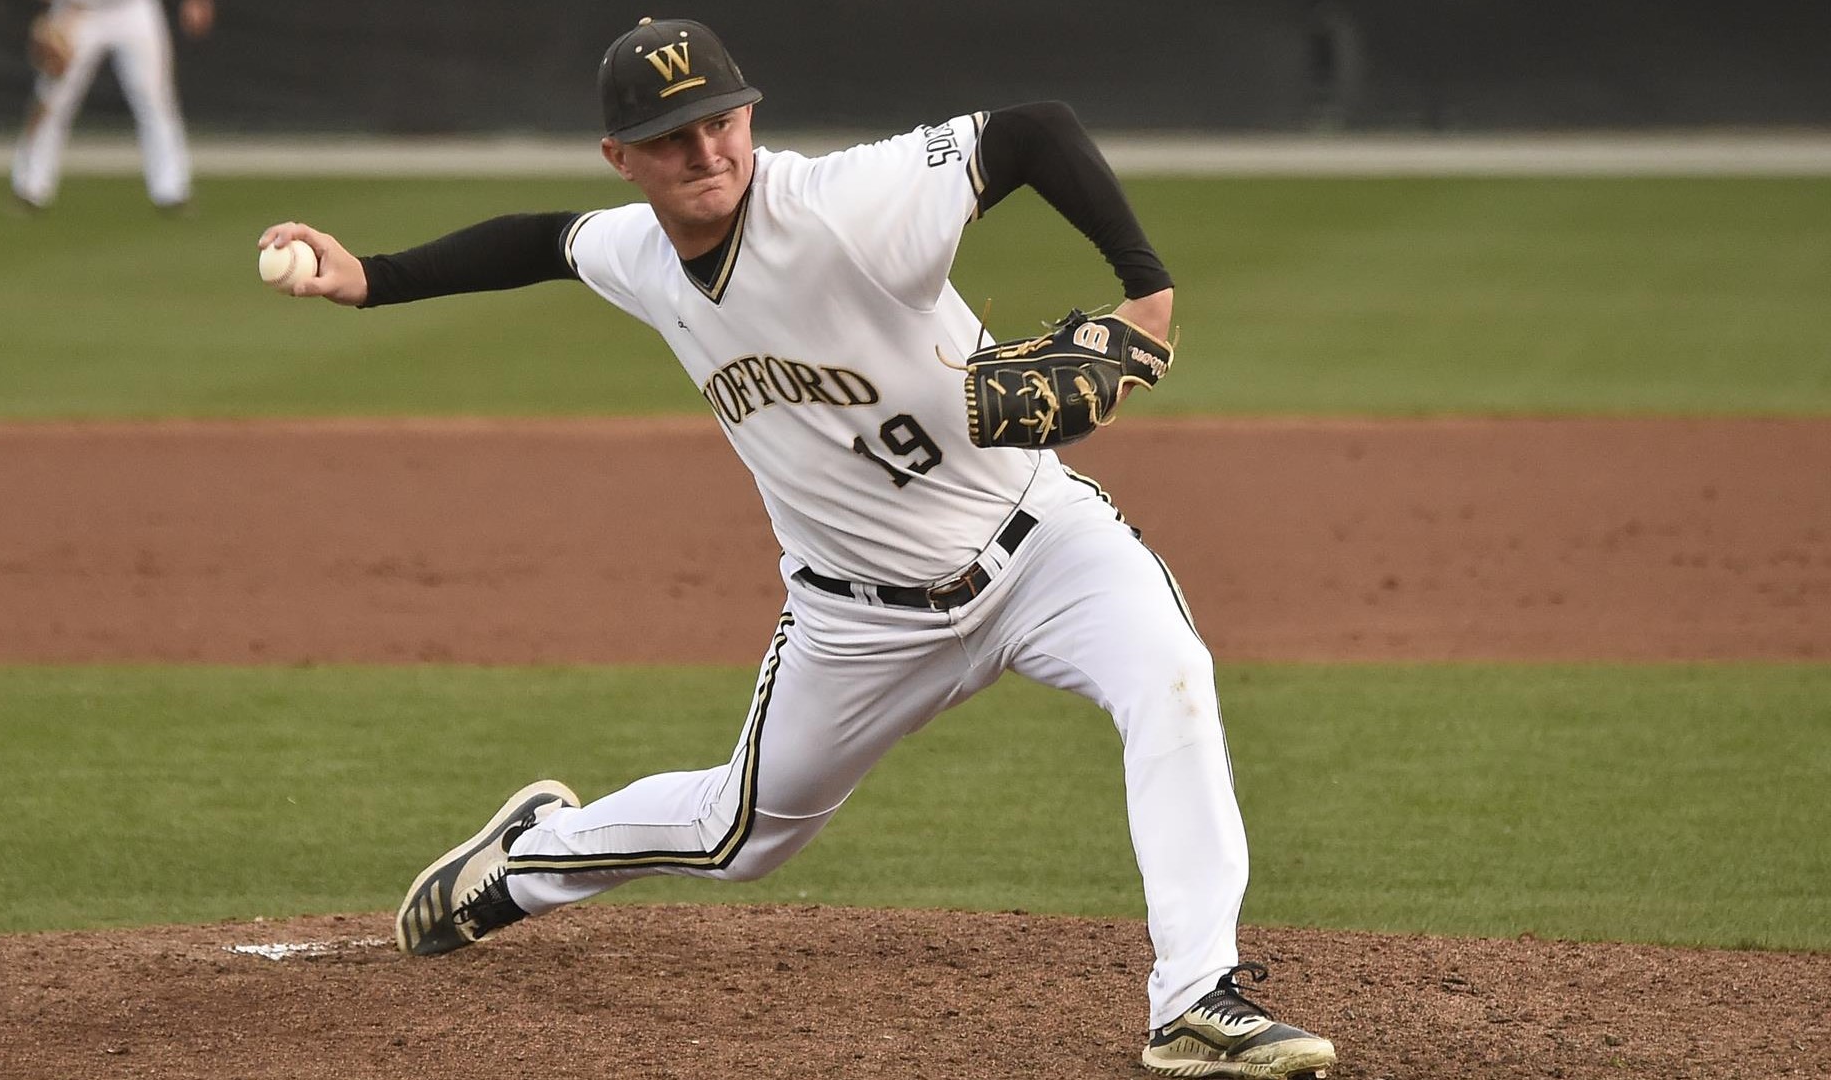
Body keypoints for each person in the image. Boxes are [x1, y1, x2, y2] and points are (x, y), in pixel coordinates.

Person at [258, 17, 1336, 1078]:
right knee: (742, 833)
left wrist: (1146, 287)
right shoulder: (641, 249)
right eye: (672, 135)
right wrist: (373, 277)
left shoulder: (844, 205)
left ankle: (1195, 998)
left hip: (1041, 546)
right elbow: (543, 241)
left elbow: (1035, 129)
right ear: (620, 157)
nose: (705, 150)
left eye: (720, 120)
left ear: (751, 115)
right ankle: (532, 857)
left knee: (1173, 678)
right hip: (856, 620)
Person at [10, 0, 214, 213]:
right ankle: (30, 186)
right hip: (79, 12)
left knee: (156, 100)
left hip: (133, 10)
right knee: (52, 99)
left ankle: (172, 189)